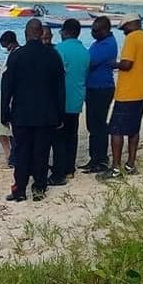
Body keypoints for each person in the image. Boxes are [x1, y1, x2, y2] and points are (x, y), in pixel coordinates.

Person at [1, 18, 65, 201]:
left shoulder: (16, 56)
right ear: (41, 34)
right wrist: (60, 114)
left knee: (22, 152)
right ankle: (39, 188)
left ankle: (20, 190)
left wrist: (4, 113)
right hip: (47, 114)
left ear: (26, 34)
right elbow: (60, 88)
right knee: (41, 152)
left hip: (22, 114)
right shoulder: (53, 55)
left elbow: (7, 87)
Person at [100, 13, 143, 180]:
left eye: (124, 28)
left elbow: (127, 64)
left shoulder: (132, 38)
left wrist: (113, 64)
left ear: (131, 24)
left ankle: (115, 168)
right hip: (142, 90)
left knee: (116, 130)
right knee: (133, 129)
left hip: (128, 92)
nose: (123, 32)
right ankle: (131, 164)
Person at [50, 18, 90, 185]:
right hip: (77, 99)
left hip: (61, 100)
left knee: (58, 137)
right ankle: (70, 169)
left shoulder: (59, 49)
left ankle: (60, 170)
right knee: (72, 135)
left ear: (65, 32)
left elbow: (53, 75)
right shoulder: (85, 51)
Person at [80, 15, 117, 173]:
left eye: (95, 30)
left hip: (101, 88)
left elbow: (89, 61)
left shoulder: (108, 44)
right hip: (93, 87)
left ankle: (100, 160)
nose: (92, 33)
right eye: (92, 30)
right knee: (92, 124)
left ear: (105, 30)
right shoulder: (99, 43)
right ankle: (94, 158)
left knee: (99, 125)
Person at [0, 31, 19, 166]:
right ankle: (10, 155)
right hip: (4, 94)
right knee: (4, 128)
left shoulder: (16, 56)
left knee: (7, 128)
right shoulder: (11, 56)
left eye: (4, 45)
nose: (4, 48)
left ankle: (12, 156)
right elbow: (4, 74)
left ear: (10, 44)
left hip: (10, 96)